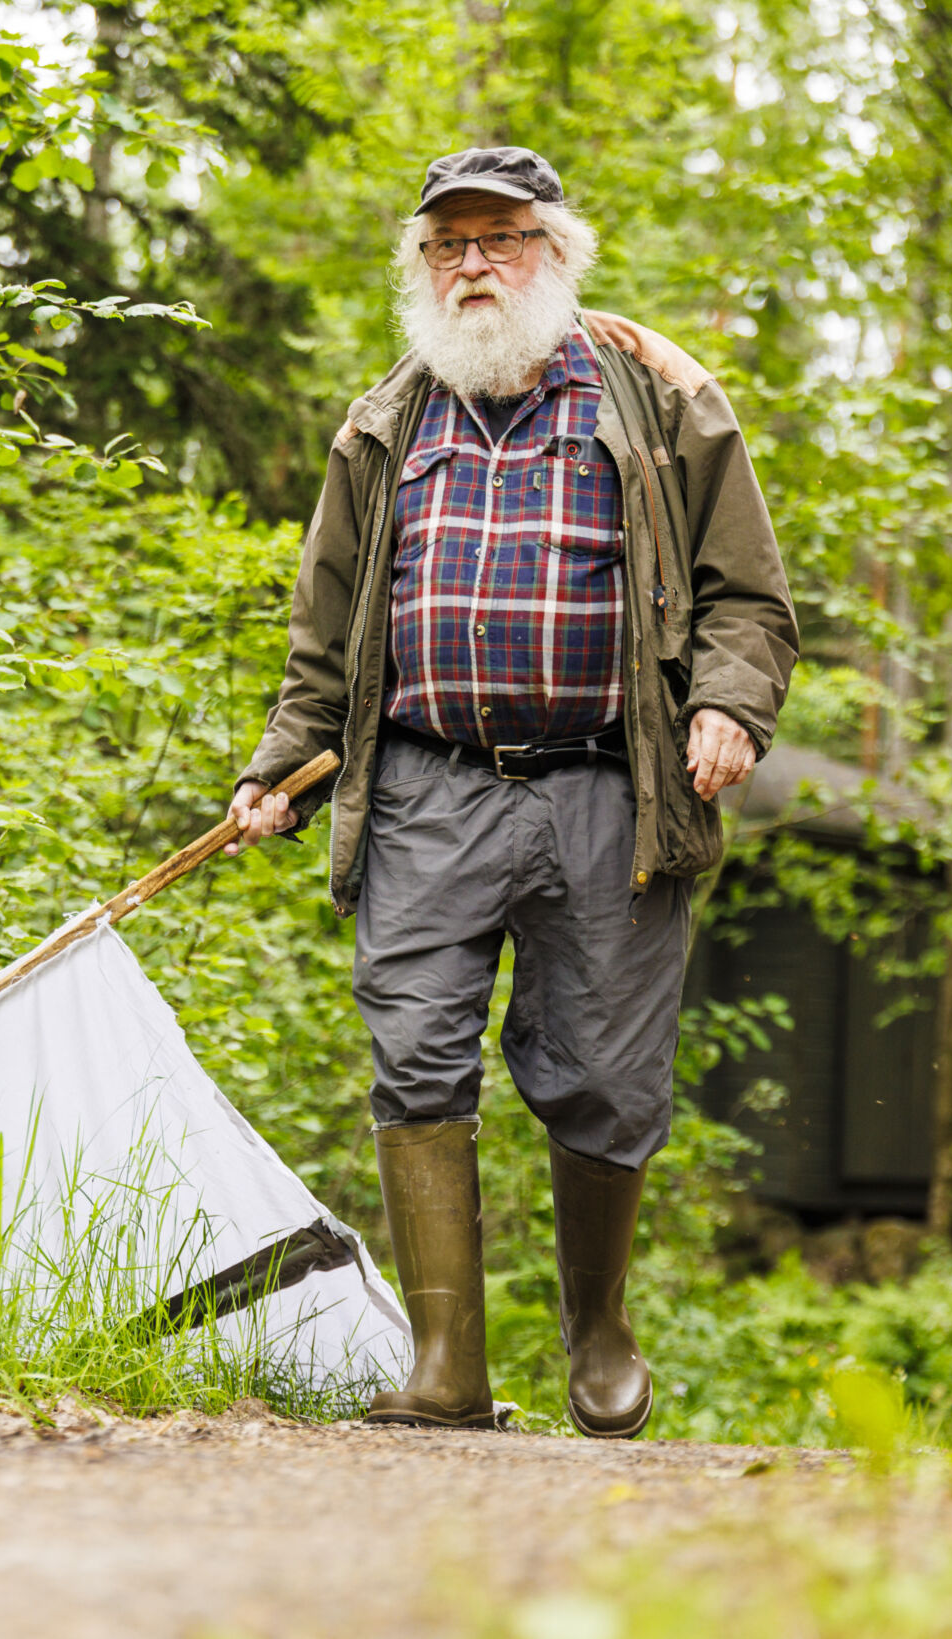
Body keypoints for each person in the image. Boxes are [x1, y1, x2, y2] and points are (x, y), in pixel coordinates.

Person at [226, 147, 798, 1437]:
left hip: (612, 788)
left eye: (499, 240)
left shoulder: (660, 397)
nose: (472, 266)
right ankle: (446, 1370)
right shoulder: (386, 421)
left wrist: (728, 702)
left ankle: (597, 1333)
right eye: (448, 246)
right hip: (429, 787)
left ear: (554, 251)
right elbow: (328, 638)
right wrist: (282, 769)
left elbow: (748, 596)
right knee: (416, 1050)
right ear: (421, 265)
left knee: (604, 1072)